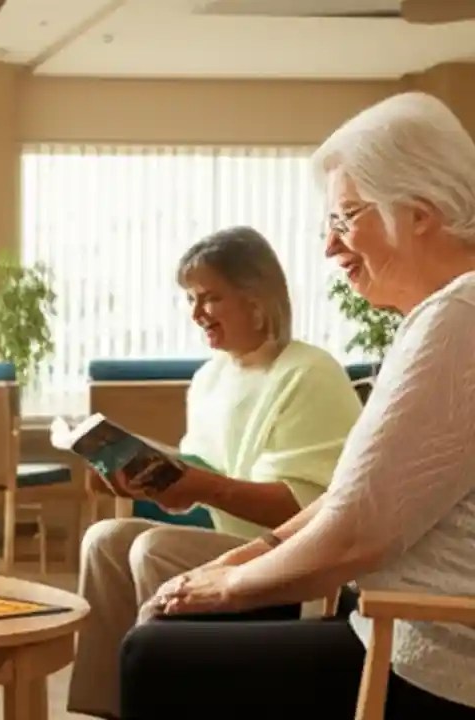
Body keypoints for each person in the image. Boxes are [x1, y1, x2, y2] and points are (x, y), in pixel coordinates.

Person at [120, 91, 475, 719]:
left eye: (346, 219)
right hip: (390, 629)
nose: (331, 249)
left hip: (430, 659)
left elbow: (355, 533)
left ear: (419, 212)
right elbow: (350, 497)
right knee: (169, 629)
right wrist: (239, 559)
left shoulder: (459, 317)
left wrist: (223, 586)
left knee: (157, 654)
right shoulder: (444, 315)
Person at [67, 226, 364, 719]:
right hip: (230, 538)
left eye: (209, 297)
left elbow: (310, 507)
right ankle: (108, 709)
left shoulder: (310, 372)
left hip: (289, 555)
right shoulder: (209, 378)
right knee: (105, 538)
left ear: (255, 297)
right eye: (190, 299)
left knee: (154, 548)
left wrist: (202, 485)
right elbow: (197, 482)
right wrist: (145, 478)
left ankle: (168, 702)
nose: (196, 313)